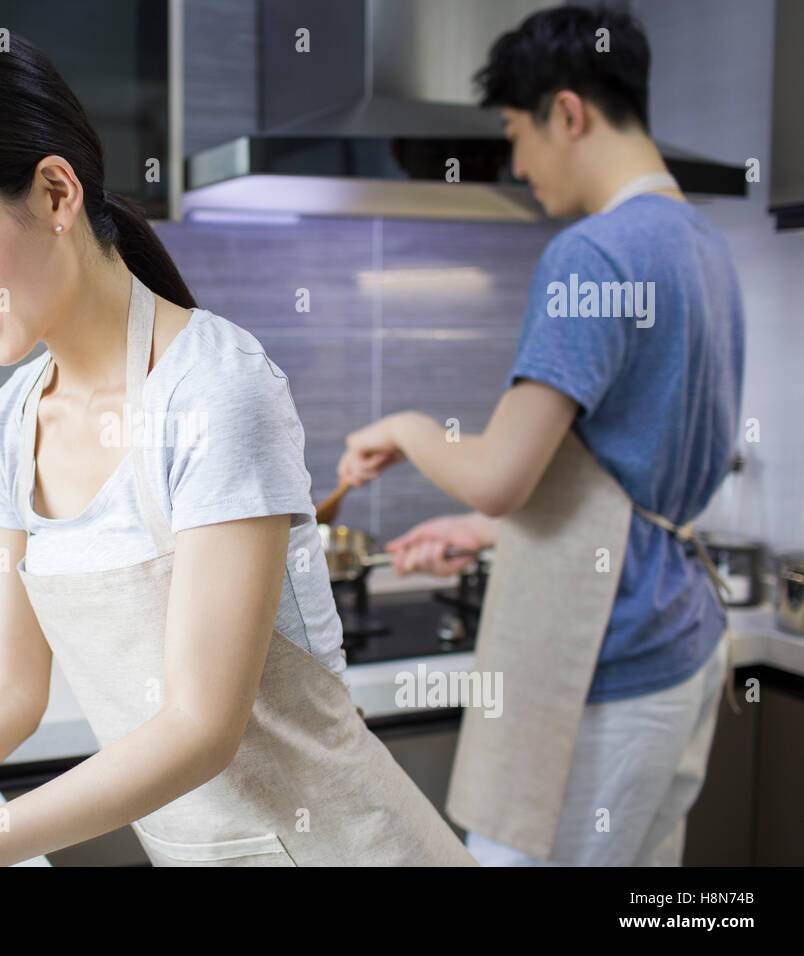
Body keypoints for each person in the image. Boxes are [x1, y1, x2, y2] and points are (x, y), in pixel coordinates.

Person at [0, 26, 475, 867]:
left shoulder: (213, 391)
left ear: (56, 194)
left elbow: (201, 728)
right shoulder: (8, 432)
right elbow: (6, 693)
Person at [337, 5, 744, 867]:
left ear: (568, 113)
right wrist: (485, 535)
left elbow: (500, 477)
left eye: (517, 133)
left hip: (606, 663)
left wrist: (407, 428)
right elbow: (629, 477)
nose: (517, 165)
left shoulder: (593, 255)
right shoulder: (705, 247)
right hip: (684, 646)